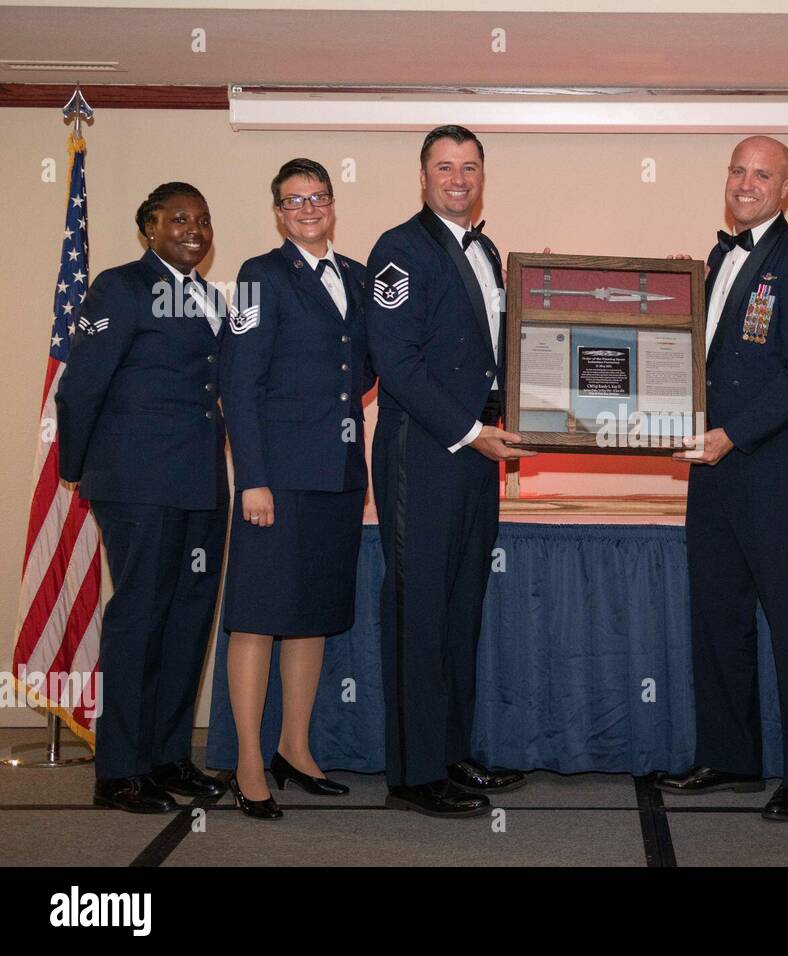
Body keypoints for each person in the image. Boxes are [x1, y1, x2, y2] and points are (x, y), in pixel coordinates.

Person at [657, 135, 788, 821]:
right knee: (718, 614)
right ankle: (730, 757)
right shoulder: (713, 262)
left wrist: (732, 435)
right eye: (738, 170)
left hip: (775, 471)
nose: (746, 183)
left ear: (787, 189)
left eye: (763, 175)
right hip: (713, 470)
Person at [365, 125, 536, 819]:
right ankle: (414, 773)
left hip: (474, 454)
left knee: (461, 606)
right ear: (423, 177)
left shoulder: (487, 250)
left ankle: (451, 753)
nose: (458, 178)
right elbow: (397, 365)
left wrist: (518, 417)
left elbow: (501, 352)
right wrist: (471, 433)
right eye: (444, 166)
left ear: (482, 176)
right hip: (424, 454)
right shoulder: (399, 250)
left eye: (469, 166)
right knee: (419, 610)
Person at [55, 182, 229, 812]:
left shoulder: (210, 298)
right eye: (178, 218)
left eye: (202, 219)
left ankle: (167, 757)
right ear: (148, 227)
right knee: (140, 619)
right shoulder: (120, 287)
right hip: (138, 484)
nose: (193, 230)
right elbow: (81, 385)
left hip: (201, 484)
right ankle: (120, 771)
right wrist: (78, 469)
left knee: (188, 620)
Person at [219, 159, 374, 820]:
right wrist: (252, 479)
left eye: (318, 197)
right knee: (258, 615)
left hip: (338, 475)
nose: (308, 208)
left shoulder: (359, 276)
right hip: (277, 481)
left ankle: (295, 748)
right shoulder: (260, 275)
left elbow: (364, 367)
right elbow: (238, 383)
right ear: (278, 212)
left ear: (332, 204)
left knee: (312, 614)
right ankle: (248, 763)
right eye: (293, 200)